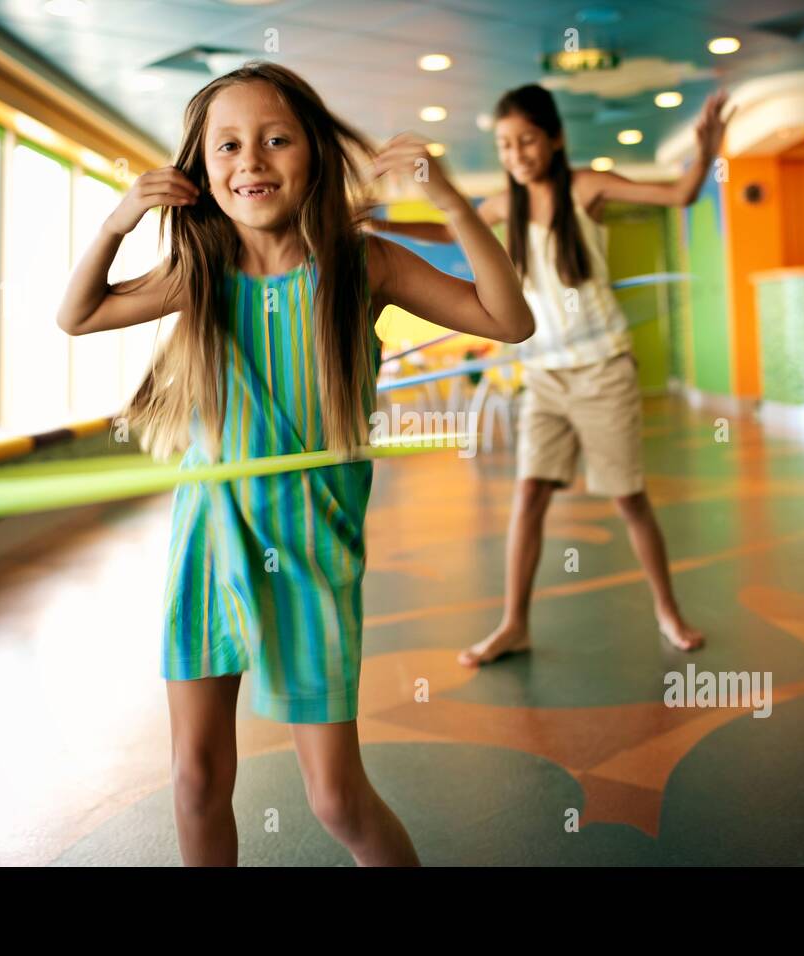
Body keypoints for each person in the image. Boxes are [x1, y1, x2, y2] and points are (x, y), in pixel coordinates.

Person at [54, 61, 533, 865]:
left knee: (336, 798)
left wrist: (449, 204)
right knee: (196, 778)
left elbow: (508, 319)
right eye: (229, 146)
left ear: (312, 152)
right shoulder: (200, 271)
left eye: (277, 140)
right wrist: (117, 222)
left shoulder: (361, 263)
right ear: (202, 173)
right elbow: (79, 314)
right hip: (209, 539)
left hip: (311, 545)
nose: (252, 161)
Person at [370, 84, 732, 664]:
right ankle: (514, 624)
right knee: (529, 495)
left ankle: (668, 610)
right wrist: (383, 226)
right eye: (506, 145)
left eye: (527, 141)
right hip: (543, 373)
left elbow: (681, 193)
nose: (516, 155)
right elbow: (450, 230)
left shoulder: (585, 186)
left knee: (628, 498)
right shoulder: (501, 206)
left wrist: (708, 145)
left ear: (555, 138)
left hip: (601, 369)